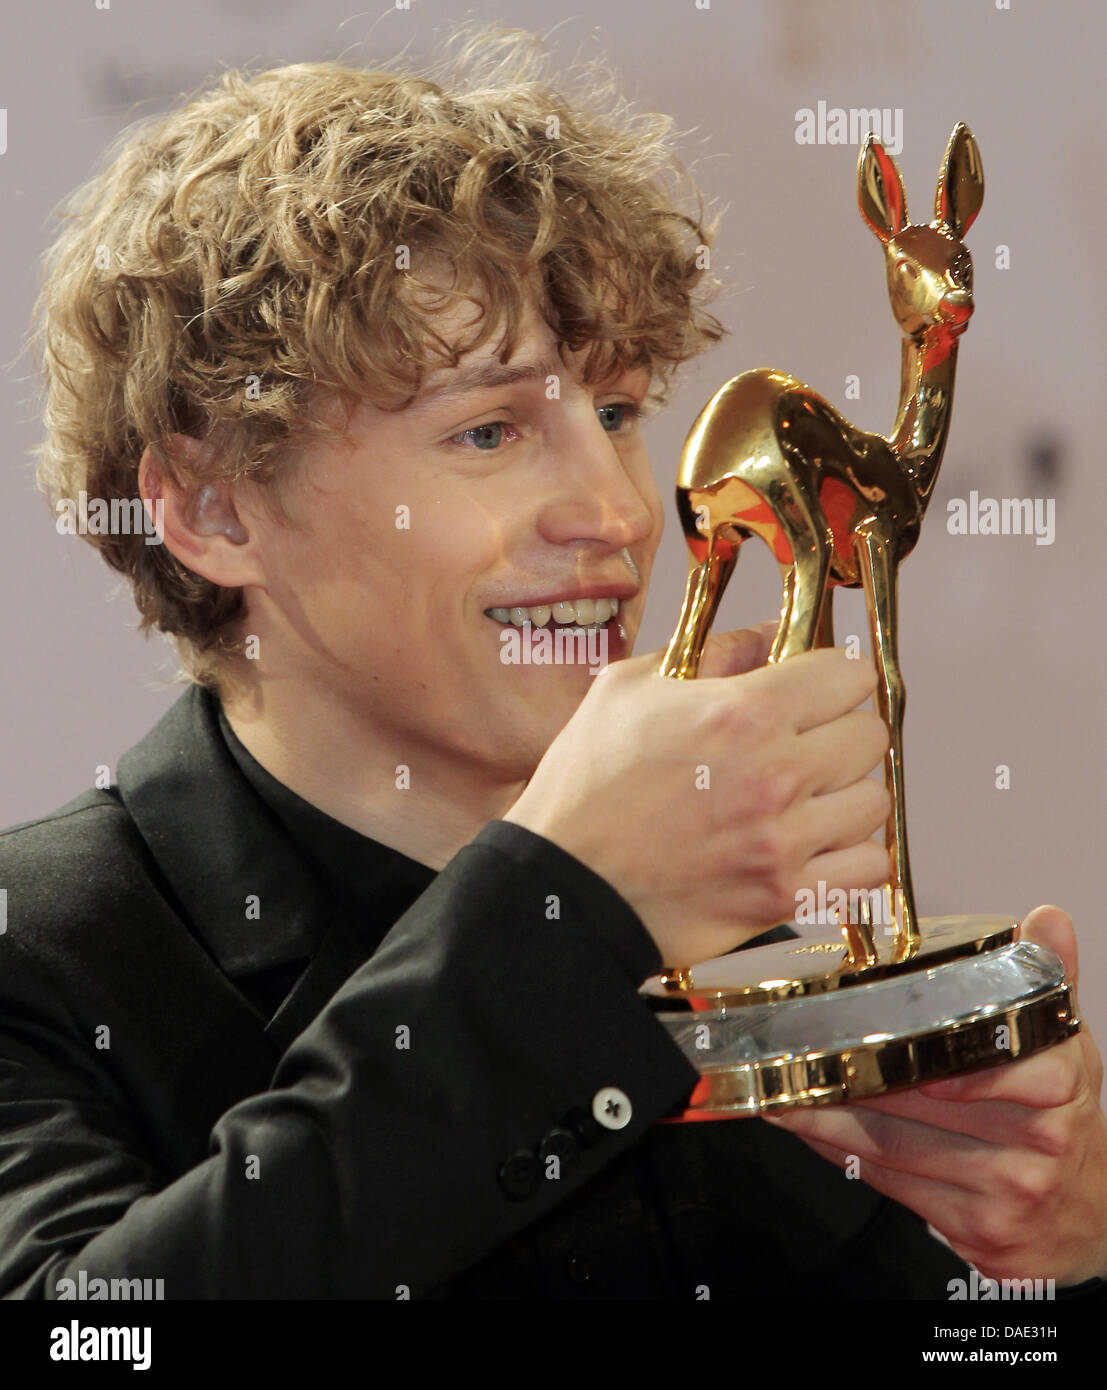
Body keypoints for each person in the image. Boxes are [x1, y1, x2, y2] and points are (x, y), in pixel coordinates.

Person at [3, 28, 1105, 1300]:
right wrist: (564, 915)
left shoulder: (745, 949)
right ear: (213, 508)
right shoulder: (41, 954)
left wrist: (1056, 1265)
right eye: (487, 430)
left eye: (623, 411)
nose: (623, 513)